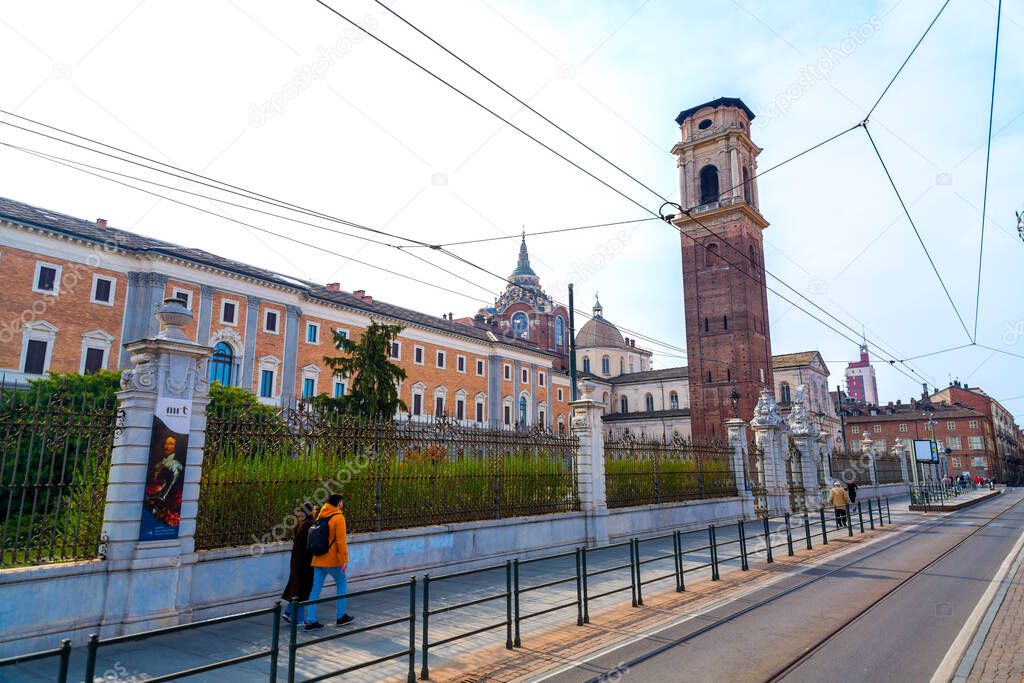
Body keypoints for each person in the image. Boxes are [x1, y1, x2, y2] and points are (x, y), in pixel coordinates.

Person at [305, 493, 354, 630]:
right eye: (341, 502)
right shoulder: (338, 517)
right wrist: (344, 559)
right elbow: (340, 541)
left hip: (318, 559)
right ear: (339, 503)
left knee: (315, 590)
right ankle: (341, 616)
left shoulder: (321, 515)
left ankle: (310, 620)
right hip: (332, 560)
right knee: (342, 583)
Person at [282, 502, 317, 624]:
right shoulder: (309, 525)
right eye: (314, 509)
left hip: (297, 561)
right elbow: (308, 545)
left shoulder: (299, 524)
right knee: (302, 590)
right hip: (304, 562)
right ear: (309, 511)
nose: (316, 510)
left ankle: (288, 613)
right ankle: (300, 620)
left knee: (297, 588)